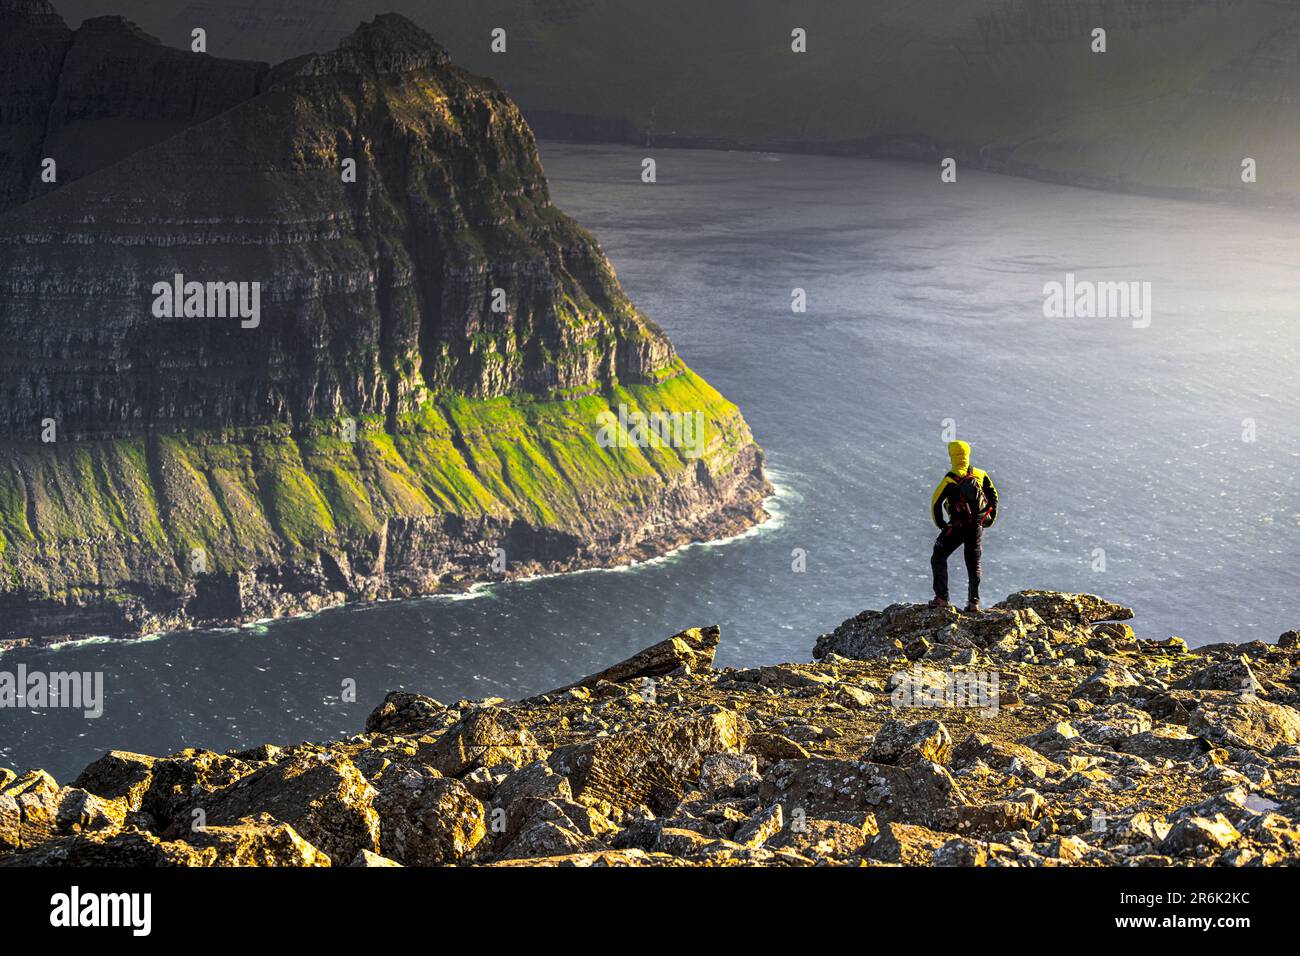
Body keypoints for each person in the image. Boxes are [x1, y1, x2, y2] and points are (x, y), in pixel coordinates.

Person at [929, 440, 998, 611]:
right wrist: (989, 519)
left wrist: (942, 525)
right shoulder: (980, 474)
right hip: (977, 526)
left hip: (957, 526)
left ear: (952, 455)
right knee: (973, 563)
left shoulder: (950, 478)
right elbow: (993, 495)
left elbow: (935, 504)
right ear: (967, 454)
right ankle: (974, 603)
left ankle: (942, 599)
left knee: (938, 555)